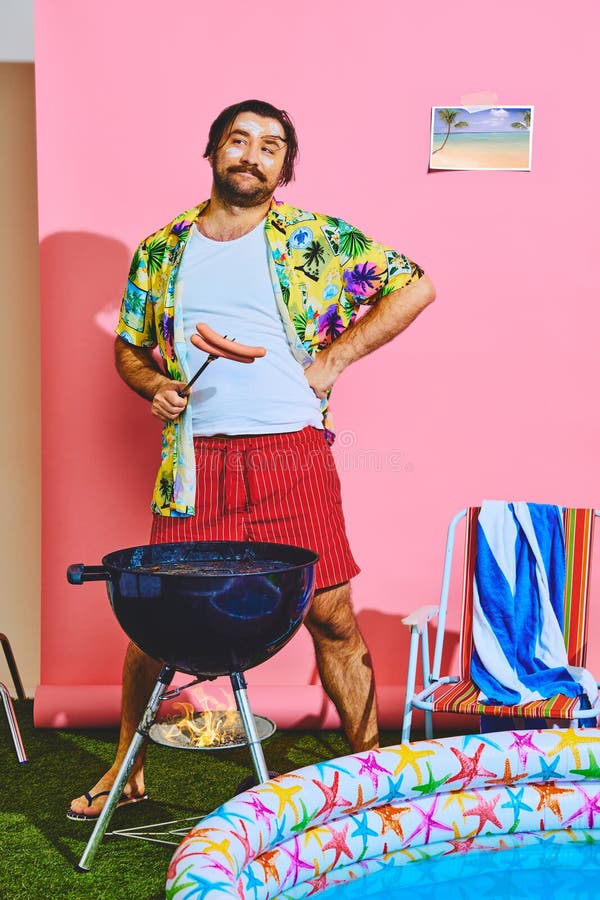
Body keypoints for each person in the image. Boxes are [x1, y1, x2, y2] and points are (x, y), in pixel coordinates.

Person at [68, 99, 435, 820]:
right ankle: (126, 768)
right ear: (213, 152)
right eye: (239, 140)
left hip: (289, 453)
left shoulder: (315, 238)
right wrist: (155, 385)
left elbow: (415, 284)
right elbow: (128, 346)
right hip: (193, 461)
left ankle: (369, 775)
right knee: (153, 621)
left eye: (271, 146)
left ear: (284, 167)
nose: (253, 154)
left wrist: (335, 360)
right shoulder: (163, 248)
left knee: (331, 616)